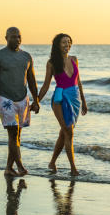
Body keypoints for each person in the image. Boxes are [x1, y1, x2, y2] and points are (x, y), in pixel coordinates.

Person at [0, 26, 41, 176]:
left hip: (23, 99)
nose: (17, 39)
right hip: (5, 99)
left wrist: (36, 100)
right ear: (6, 38)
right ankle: (20, 166)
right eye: (13, 37)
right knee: (13, 133)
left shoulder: (27, 57)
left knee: (17, 135)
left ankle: (8, 168)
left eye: (19, 36)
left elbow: (31, 80)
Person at [36, 32, 88, 176]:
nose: (67, 45)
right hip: (60, 98)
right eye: (64, 42)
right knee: (68, 131)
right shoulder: (51, 63)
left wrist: (83, 101)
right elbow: (46, 85)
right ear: (57, 45)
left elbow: (79, 81)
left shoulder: (74, 59)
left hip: (75, 98)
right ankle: (73, 168)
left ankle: (52, 162)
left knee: (64, 132)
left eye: (69, 42)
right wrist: (36, 101)